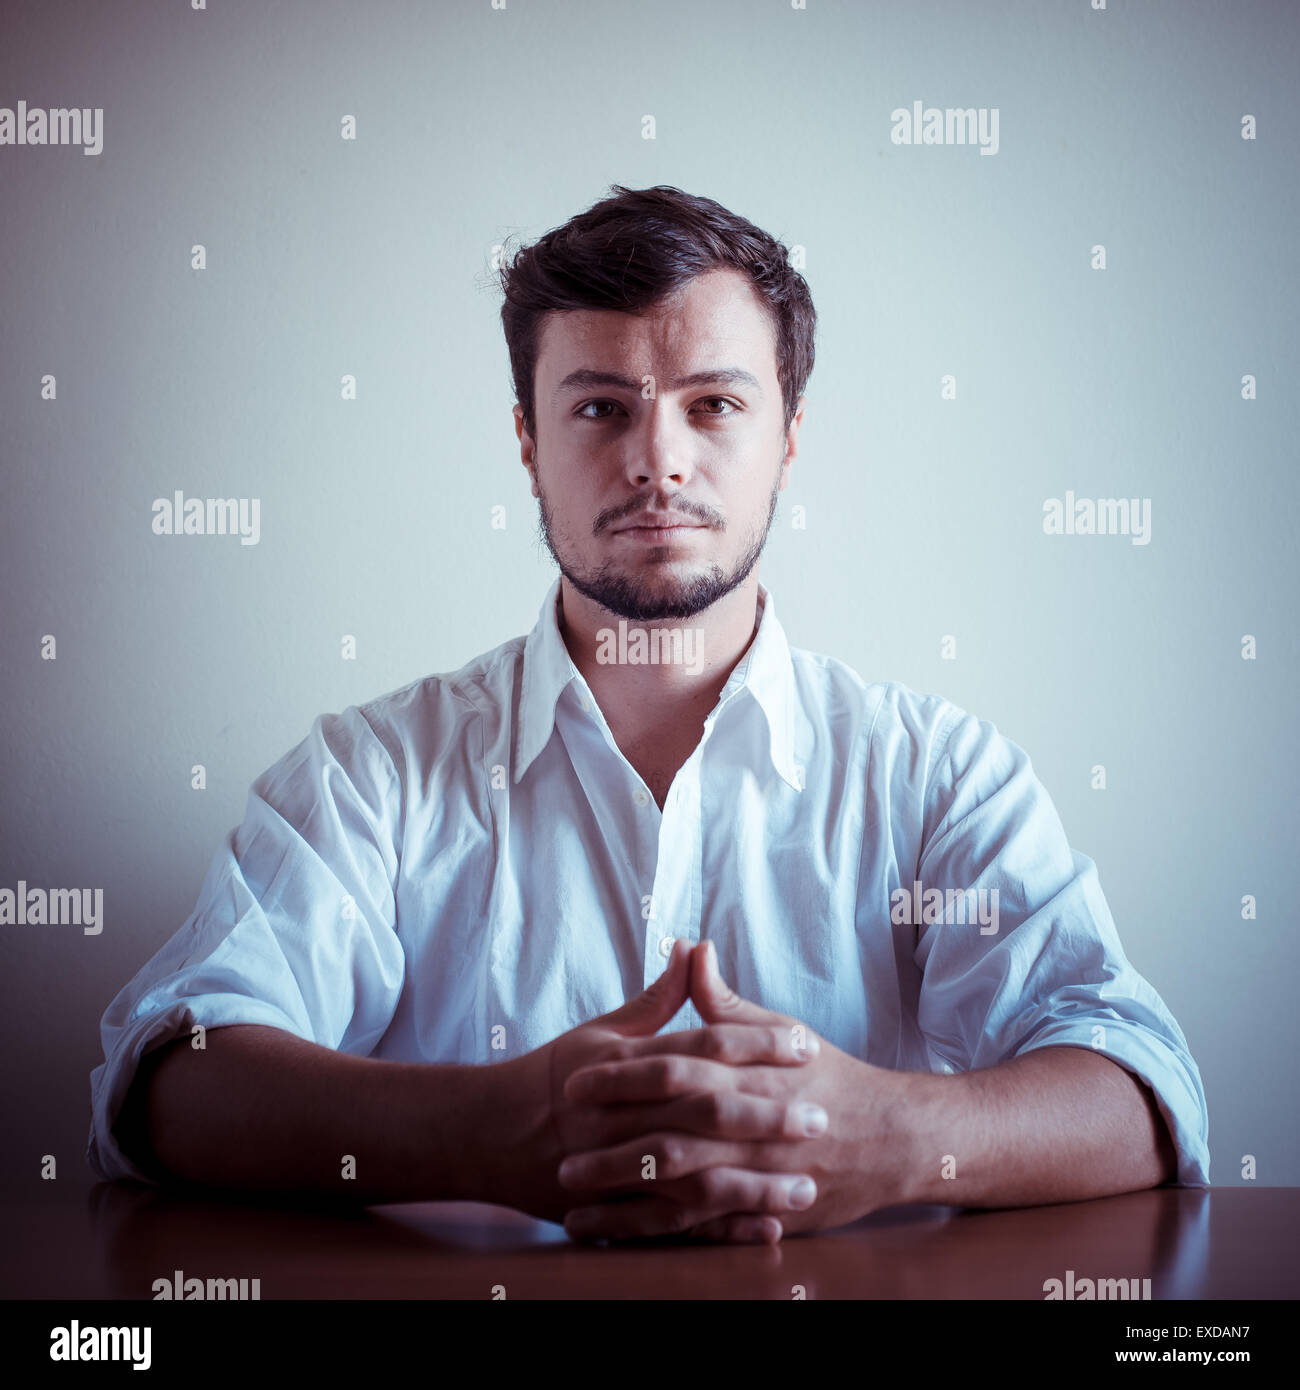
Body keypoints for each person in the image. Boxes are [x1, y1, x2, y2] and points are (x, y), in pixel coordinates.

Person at [89, 185, 1209, 1245]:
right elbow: (170, 1076)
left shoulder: (938, 778)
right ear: (527, 444)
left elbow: (1138, 1089)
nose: (657, 460)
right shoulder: (370, 774)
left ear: (789, 440)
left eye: (714, 404)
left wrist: (890, 1137)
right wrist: (485, 1131)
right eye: (599, 408)